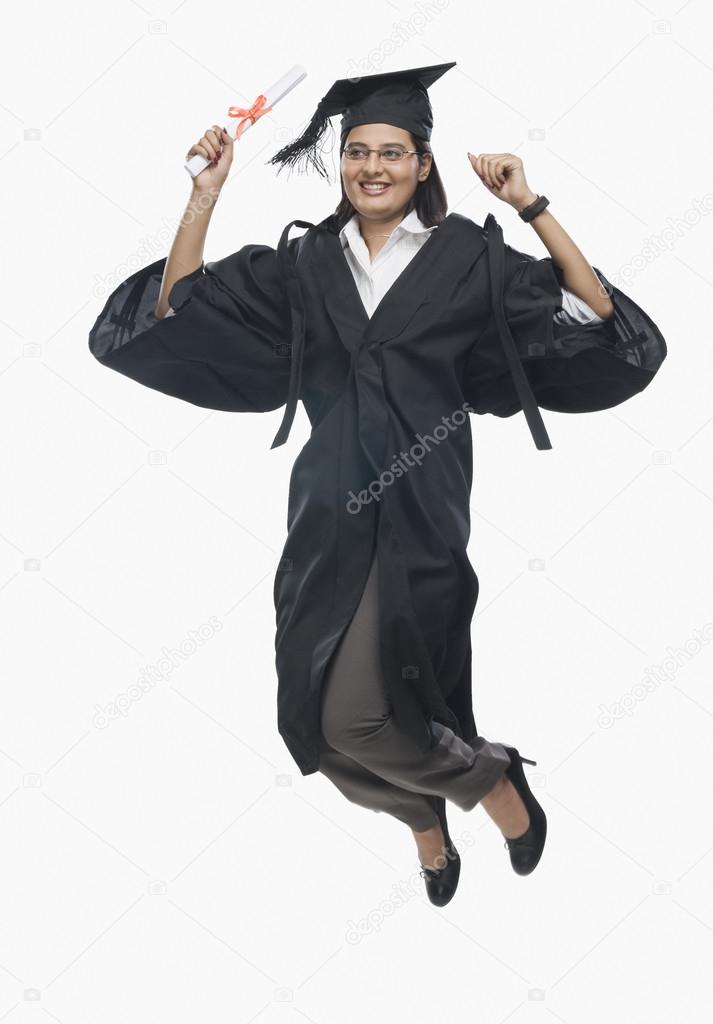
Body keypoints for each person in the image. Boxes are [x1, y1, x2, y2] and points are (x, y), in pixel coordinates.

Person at [88, 63, 666, 907]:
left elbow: (597, 320)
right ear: (343, 164)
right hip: (325, 511)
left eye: (391, 152)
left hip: (419, 506)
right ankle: (426, 825)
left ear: (421, 165)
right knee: (316, 733)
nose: (372, 167)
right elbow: (180, 313)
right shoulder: (306, 263)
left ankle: (492, 781)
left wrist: (530, 207)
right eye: (357, 151)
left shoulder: (470, 258)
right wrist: (205, 196)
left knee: (359, 714)